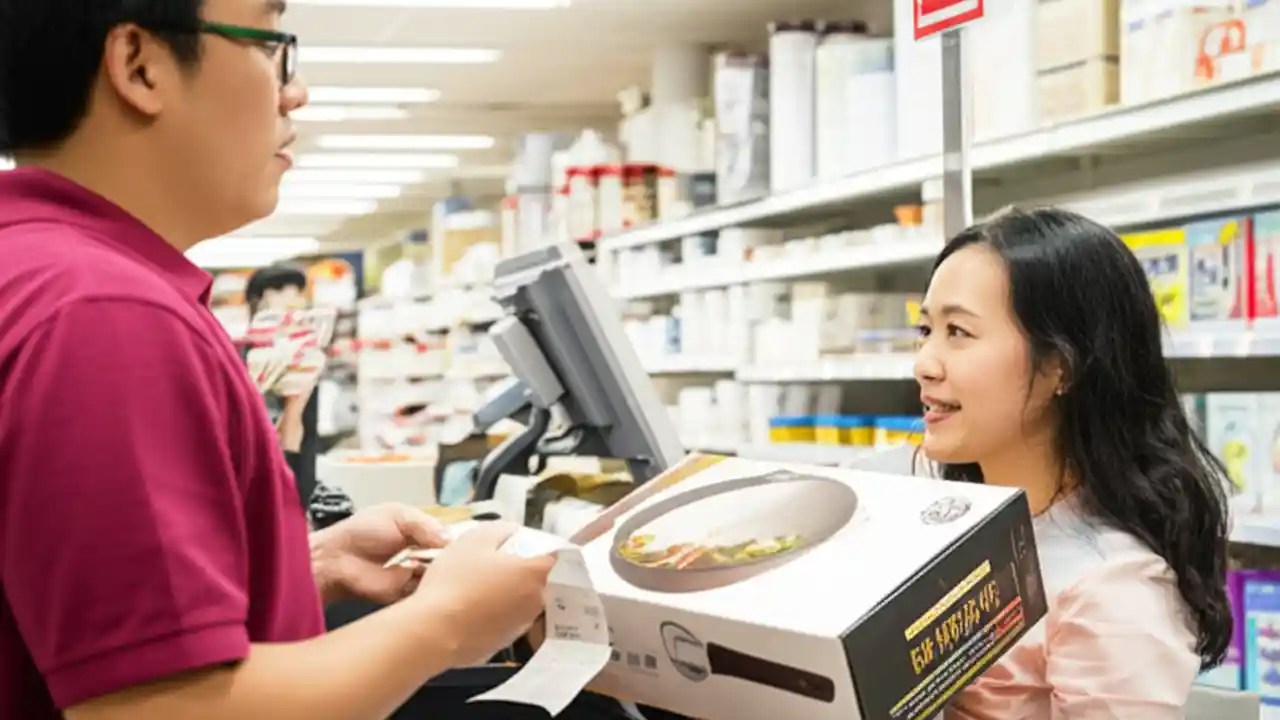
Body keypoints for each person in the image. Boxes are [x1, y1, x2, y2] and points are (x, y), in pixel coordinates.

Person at [0, 2, 554, 719]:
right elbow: (162, 713)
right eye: (272, 48)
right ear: (139, 65)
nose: (296, 93)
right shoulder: (105, 313)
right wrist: (446, 623)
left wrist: (306, 568)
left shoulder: (39, 272)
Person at [912, 207, 1233, 717]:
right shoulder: (953, 527)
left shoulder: (1114, 588)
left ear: (1059, 366)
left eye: (959, 332)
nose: (924, 364)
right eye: (926, 329)